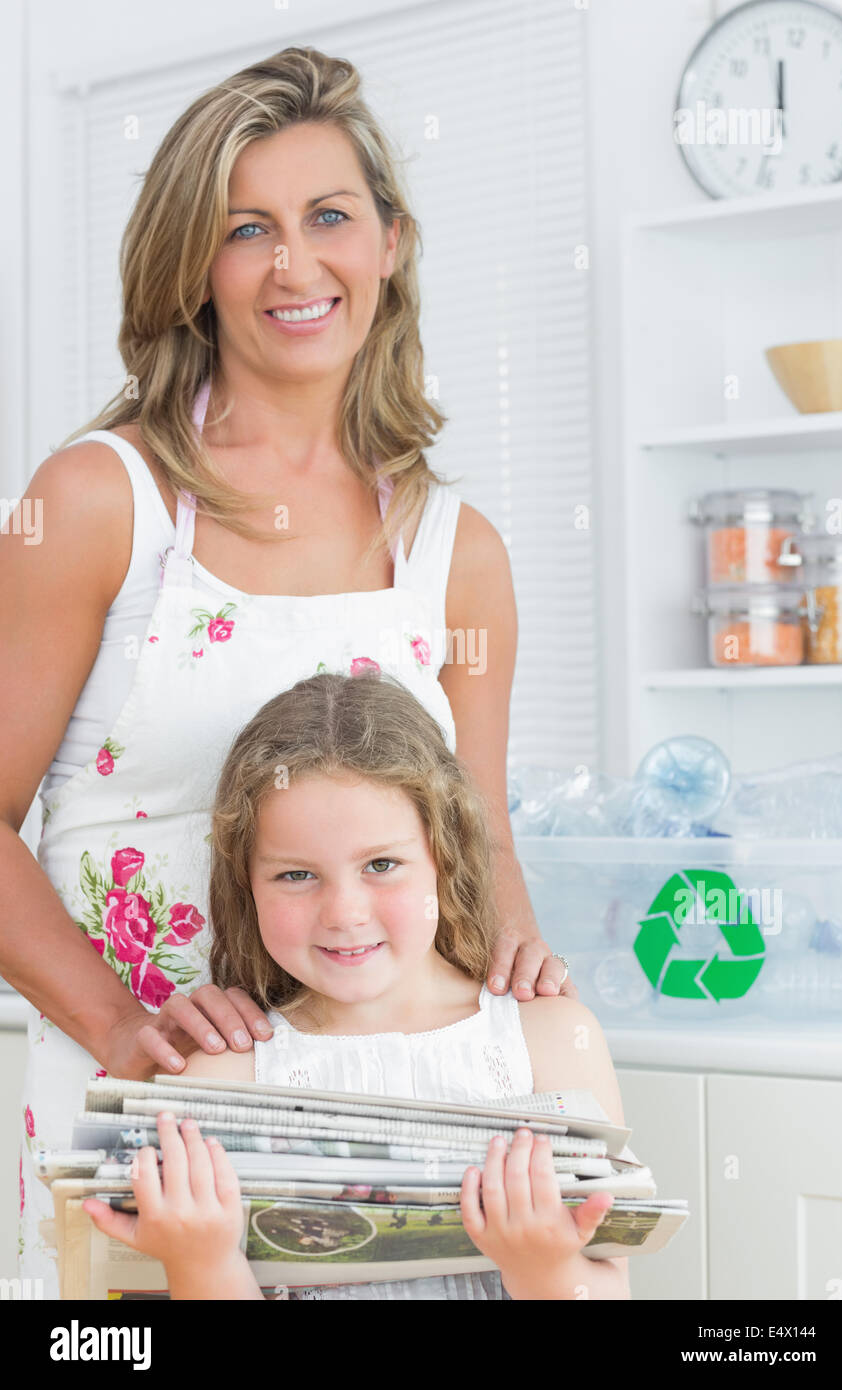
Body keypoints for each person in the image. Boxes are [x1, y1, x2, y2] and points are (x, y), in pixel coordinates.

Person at [3, 45, 576, 1295]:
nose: (293, 263)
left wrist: (525, 966)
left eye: (328, 217)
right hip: (148, 1131)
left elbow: (471, 819)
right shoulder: (103, 501)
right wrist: (117, 1024)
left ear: (391, 244)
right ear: (193, 269)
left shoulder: (453, 550)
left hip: (380, 1142)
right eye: (244, 228)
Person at [84, 670, 629, 1300]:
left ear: (443, 857)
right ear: (246, 884)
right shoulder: (219, 1076)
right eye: (295, 875)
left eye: (381, 864)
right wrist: (204, 1266)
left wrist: (542, 1267)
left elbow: (609, 1286)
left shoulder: (554, 1041)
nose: (343, 913)